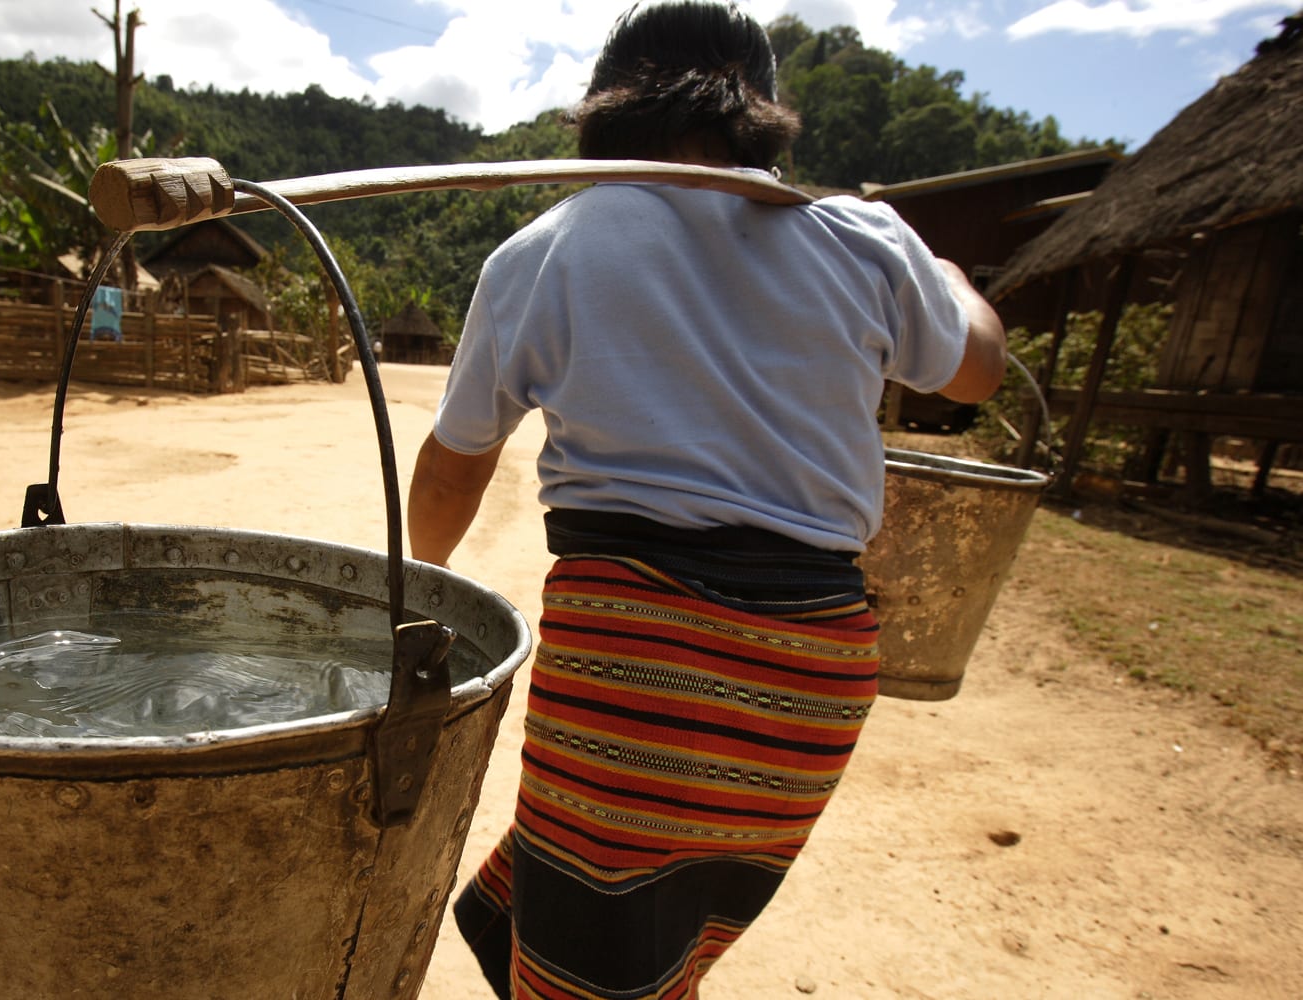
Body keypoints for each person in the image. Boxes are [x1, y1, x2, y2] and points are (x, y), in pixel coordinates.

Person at [405, 3, 1006, 997]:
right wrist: (947, 279)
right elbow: (976, 370)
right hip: (810, 672)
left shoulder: (549, 246)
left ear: (604, 117)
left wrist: (422, 578)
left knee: (596, 945)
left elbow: (451, 464)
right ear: (757, 120)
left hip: (630, 662)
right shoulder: (860, 236)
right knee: (625, 918)